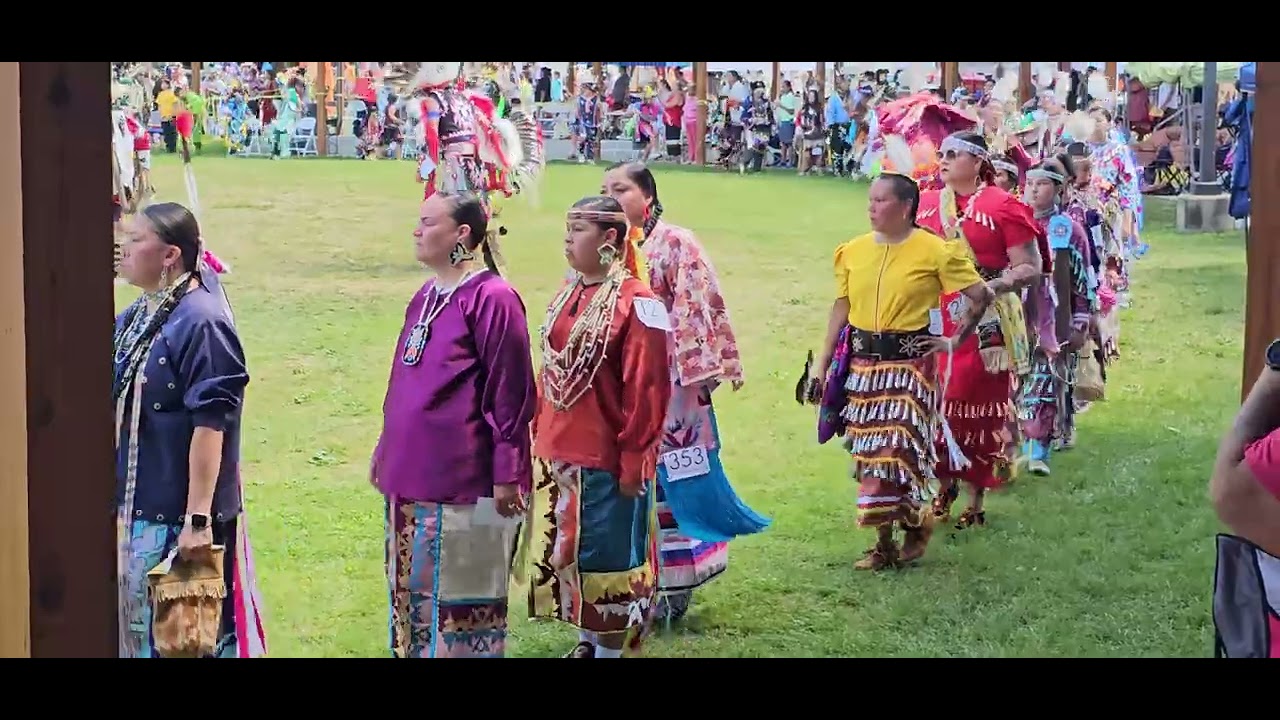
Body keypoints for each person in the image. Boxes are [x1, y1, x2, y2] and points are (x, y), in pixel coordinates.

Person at [371, 192, 536, 658]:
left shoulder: (494, 298)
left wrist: (508, 471)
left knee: (463, 607)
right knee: (412, 596)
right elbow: (405, 384)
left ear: (462, 233)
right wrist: (387, 450)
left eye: (427, 222)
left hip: (466, 482)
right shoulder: (426, 296)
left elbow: (511, 392)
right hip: (410, 477)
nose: (416, 231)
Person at [602, 162, 768, 619]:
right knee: (629, 480)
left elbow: (697, 308)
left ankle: (678, 583)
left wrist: (685, 375)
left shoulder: (675, 242)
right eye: (604, 190)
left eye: (621, 189)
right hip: (620, 386)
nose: (611, 197)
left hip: (672, 388)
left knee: (677, 476)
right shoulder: (607, 246)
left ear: (647, 197)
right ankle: (637, 582)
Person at [810, 173, 991, 569]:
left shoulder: (936, 252)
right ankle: (890, 538)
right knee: (871, 456)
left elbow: (981, 294)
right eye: (869, 200)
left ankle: (908, 525)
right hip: (862, 367)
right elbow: (841, 305)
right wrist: (823, 361)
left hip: (909, 367)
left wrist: (954, 341)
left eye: (880, 200)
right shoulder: (853, 251)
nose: (871, 207)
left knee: (894, 453)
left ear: (906, 207)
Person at [113, 202, 267, 658]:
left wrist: (197, 521)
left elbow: (211, 424)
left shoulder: (202, 321)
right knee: (131, 635)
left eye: (137, 238)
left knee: (179, 644)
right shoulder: (139, 315)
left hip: (176, 519)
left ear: (169, 256)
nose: (124, 246)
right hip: (132, 507)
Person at [526, 195, 671, 658]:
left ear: (610, 238)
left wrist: (634, 461)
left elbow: (649, 391)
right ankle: (587, 644)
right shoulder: (569, 292)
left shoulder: (640, 303)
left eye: (579, 229)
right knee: (569, 556)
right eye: (567, 228)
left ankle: (606, 651)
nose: (567, 238)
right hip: (560, 450)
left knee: (607, 564)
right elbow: (550, 370)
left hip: (607, 460)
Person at [915, 132, 1049, 528]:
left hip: (987, 318)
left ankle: (976, 497)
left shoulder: (1003, 206)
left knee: (976, 405)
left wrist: (992, 286)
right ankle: (943, 486)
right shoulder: (923, 205)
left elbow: (1030, 266)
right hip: (933, 314)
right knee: (933, 402)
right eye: (942, 154)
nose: (944, 160)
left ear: (977, 163)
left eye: (954, 155)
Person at [1019, 156, 1094, 474]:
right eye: (1030, 184)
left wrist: (1081, 320)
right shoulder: (1016, 222)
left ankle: (1039, 448)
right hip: (1019, 314)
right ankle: (1020, 444)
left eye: (1043, 184)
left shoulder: (1068, 228)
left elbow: (1084, 278)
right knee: (1018, 381)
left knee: (1047, 380)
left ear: (1060, 190)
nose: (1034, 190)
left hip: (1054, 316)